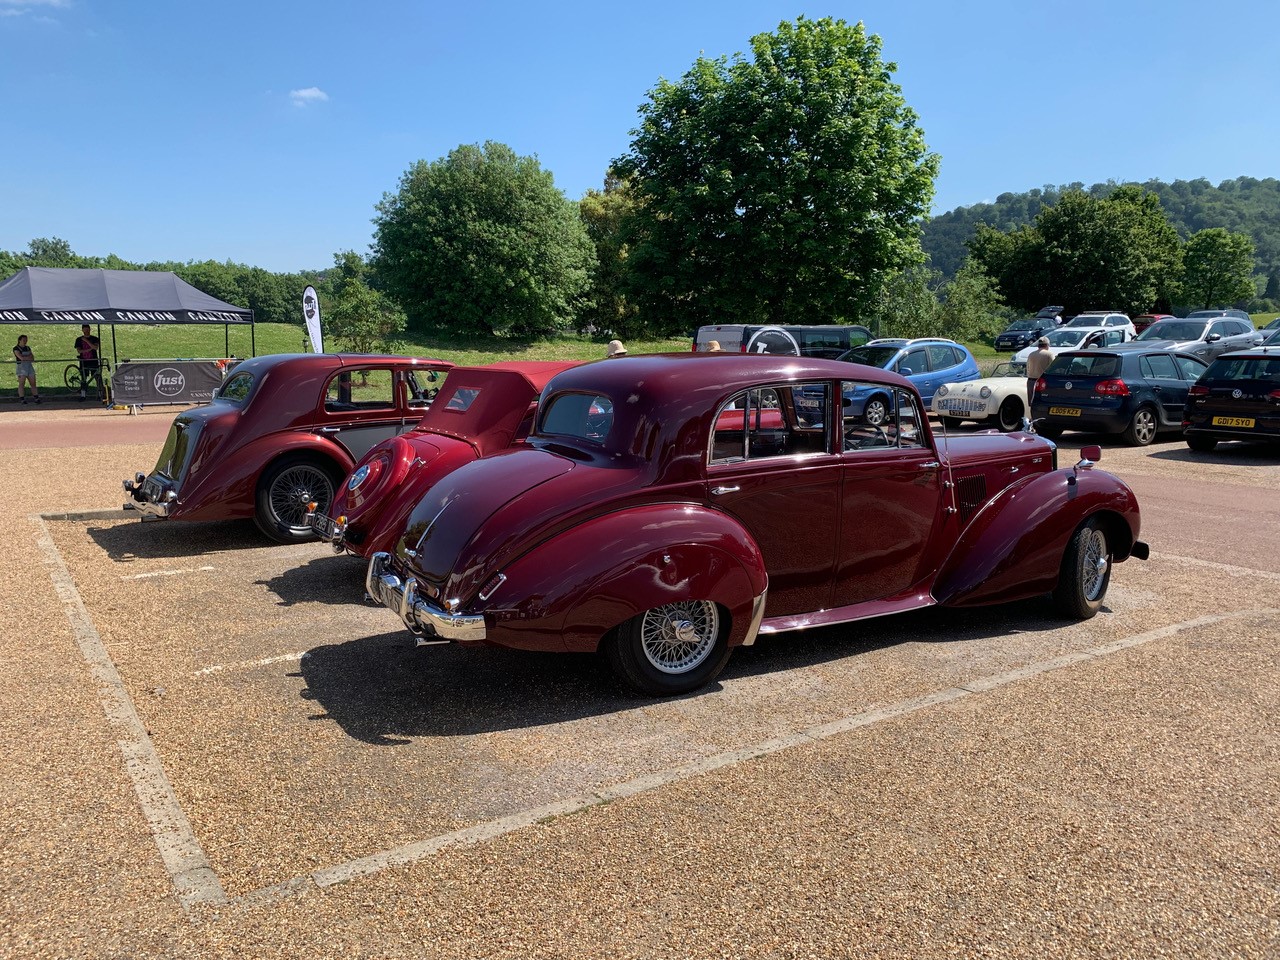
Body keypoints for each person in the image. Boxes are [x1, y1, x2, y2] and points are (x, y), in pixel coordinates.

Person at [74, 323, 101, 400]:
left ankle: (99, 394)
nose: (87, 331)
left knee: (97, 377)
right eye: (85, 330)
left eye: (88, 329)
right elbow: (79, 351)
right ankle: (83, 395)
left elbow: (95, 347)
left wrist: (86, 341)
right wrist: (89, 349)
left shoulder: (94, 338)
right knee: (83, 378)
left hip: (93, 360)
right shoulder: (78, 340)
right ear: (82, 330)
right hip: (84, 361)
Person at [1025, 336, 1054, 410]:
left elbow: (1027, 368)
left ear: (1038, 345)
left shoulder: (1031, 354)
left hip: (1030, 381)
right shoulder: (1049, 354)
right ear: (1047, 345)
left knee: (1032, 404)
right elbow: (1053, 368)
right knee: (1042, 403)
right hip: (1041, 382)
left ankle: (1032, 419)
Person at [12, 334, 39, 404]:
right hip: (21, 367)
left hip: (29, 367)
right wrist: (27, 357)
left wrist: (26, 358)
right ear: (19, 340)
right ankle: (22, 399)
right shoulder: (16, 348)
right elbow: (21, 358)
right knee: (22, 383)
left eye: (26, 340)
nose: (25, 341)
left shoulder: (28, 348)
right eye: (24, 340)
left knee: (33, 383)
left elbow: (32, 358)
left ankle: (36, 398)